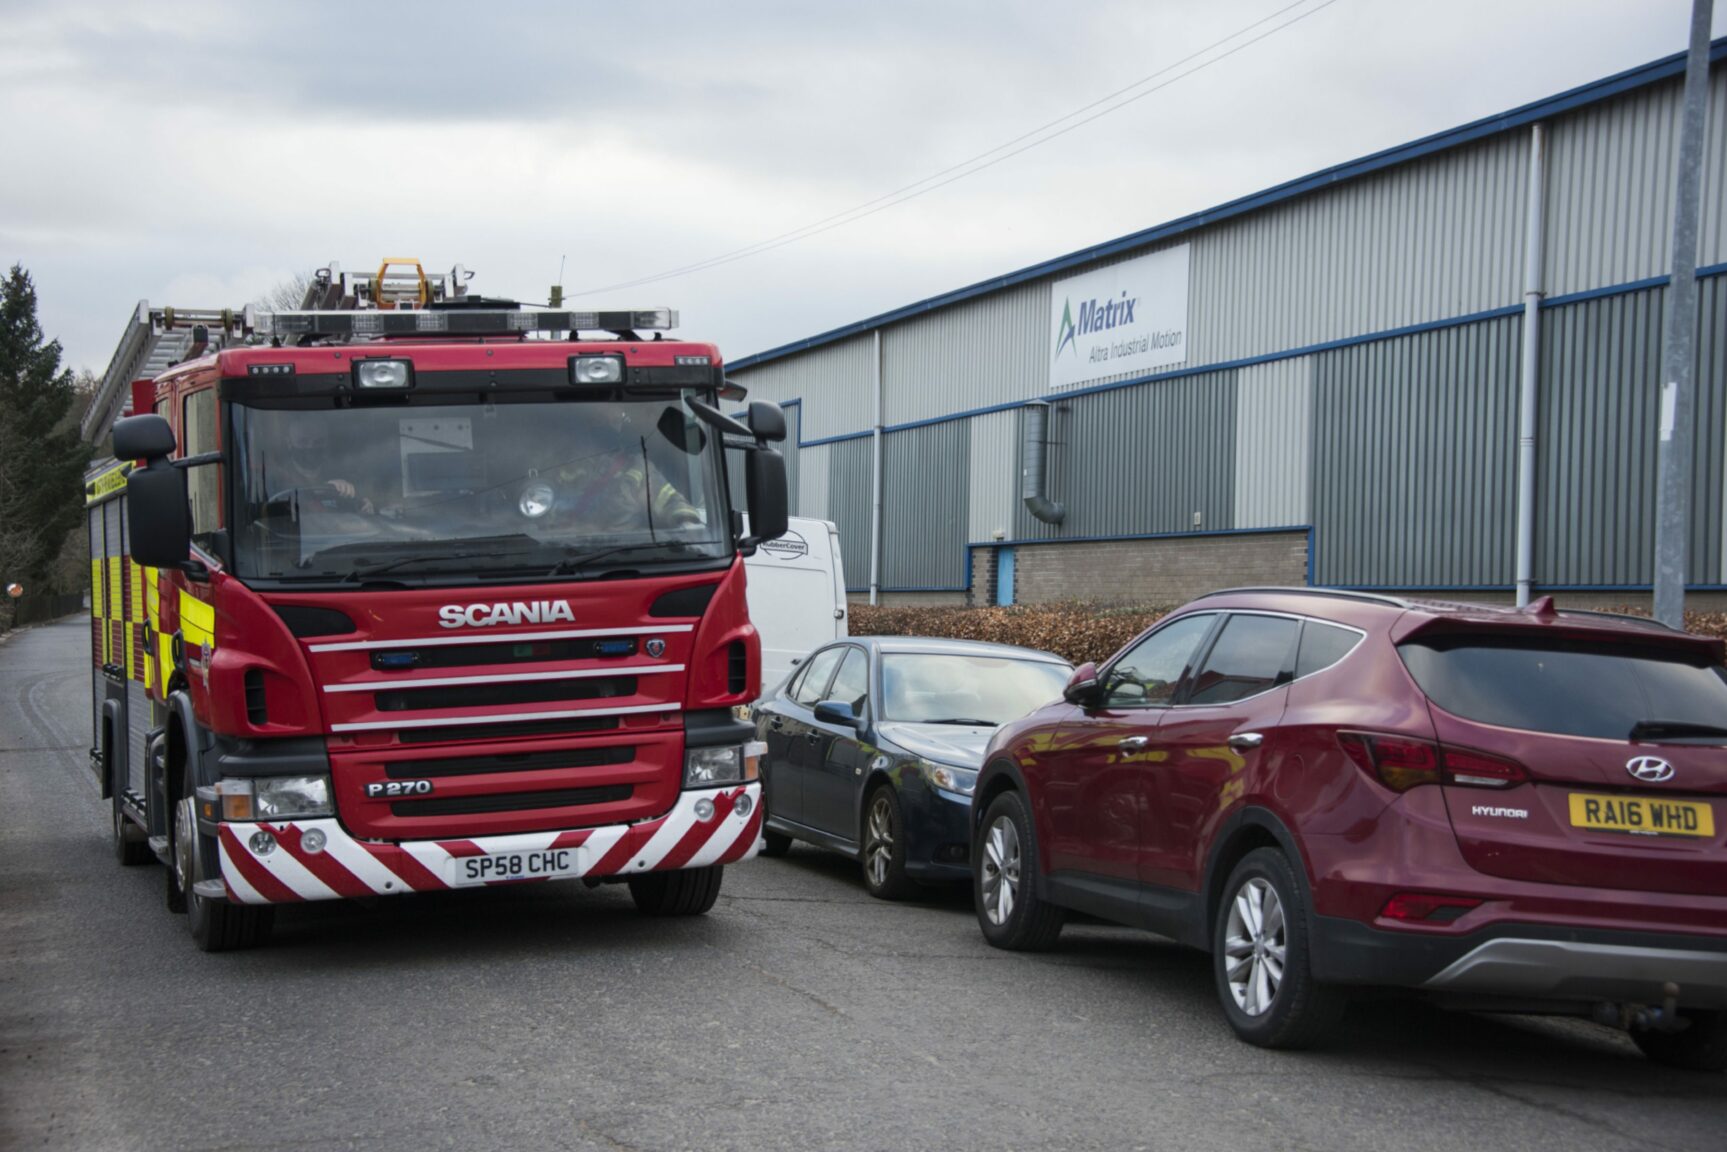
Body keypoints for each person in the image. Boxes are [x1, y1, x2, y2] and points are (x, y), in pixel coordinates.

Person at [554, 417, 700, 534]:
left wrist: (687, 523)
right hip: (567, 549)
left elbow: (671, 501)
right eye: (599, 420)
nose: (606, 426)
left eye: (614, 421)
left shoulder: (639, 468)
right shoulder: (565, 466)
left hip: (623, 550)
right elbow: (543, 510)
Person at [272, 421, 373, 513]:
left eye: (318, 442)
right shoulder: (277, 480)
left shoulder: (345, 474)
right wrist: (325, 489)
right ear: (289, 443)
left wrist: (365, 506)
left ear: (327, 442)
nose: (310, 447)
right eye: (303, 442)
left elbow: (366, 502)